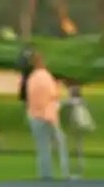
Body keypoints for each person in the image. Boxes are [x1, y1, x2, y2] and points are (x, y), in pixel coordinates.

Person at [25, 52, 68, 180]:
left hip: (35, 116)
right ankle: (64, 173)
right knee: (60, 144)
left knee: (42, 147)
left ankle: (45, 175)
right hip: (49, 116)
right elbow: (53, 94)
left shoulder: (31, 78)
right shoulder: (46, 77)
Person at [62, 80, 94, 179]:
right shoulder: (81, 101)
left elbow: (65, 103)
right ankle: (78, 167)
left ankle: (77, 169)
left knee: (76, 147)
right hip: (77, 126)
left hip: (77, 126)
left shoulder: (76, 101)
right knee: (78, 147)